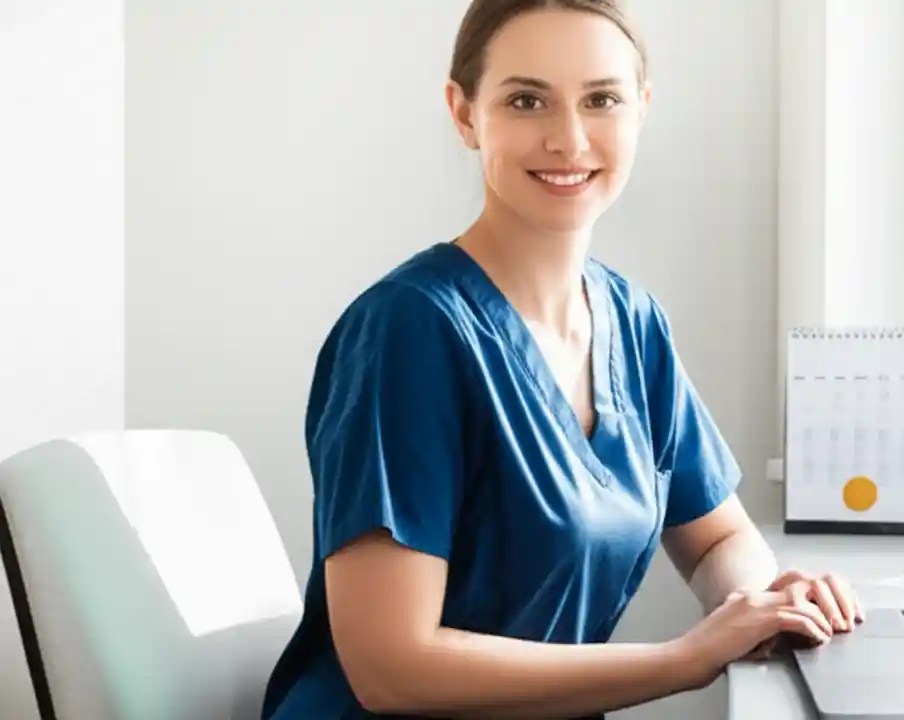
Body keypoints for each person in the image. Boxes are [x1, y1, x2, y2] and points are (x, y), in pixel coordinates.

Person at [261, 1, 862, 717]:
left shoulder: (633, 324)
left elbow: (716, 537)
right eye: (525, 100)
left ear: (640, 109)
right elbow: (392, 667)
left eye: (601, 99)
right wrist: (686, 657)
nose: (569, 138)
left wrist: (767, 598)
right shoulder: (408, 333)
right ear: (464, 113)